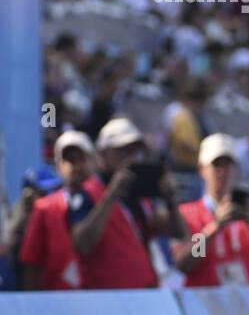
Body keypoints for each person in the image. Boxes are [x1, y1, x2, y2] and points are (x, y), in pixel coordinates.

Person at [68, 118, 187, 290]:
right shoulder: (87, 193)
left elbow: (179, 232)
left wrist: (170, 201)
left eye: (134, 151)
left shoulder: (140, 196)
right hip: (106, 299)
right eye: (121, 151)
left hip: (142, 295)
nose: (130, 159)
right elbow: (82, 244)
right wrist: (111, 196)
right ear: (102, 155)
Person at [173, 134, 249, 287]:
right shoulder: (186, 213)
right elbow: (185, 265)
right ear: (202, 169)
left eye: (228, 165)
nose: (223, 171)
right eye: (216, 164)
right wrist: (214, 228)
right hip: (205, 305)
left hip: (247, 304)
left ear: (237, 170)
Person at [15, 140, 88, 291]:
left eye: (54, 189)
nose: (50, 196)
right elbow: (30, 270)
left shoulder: (91, 204)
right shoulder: (36, 216)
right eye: (42, 193)